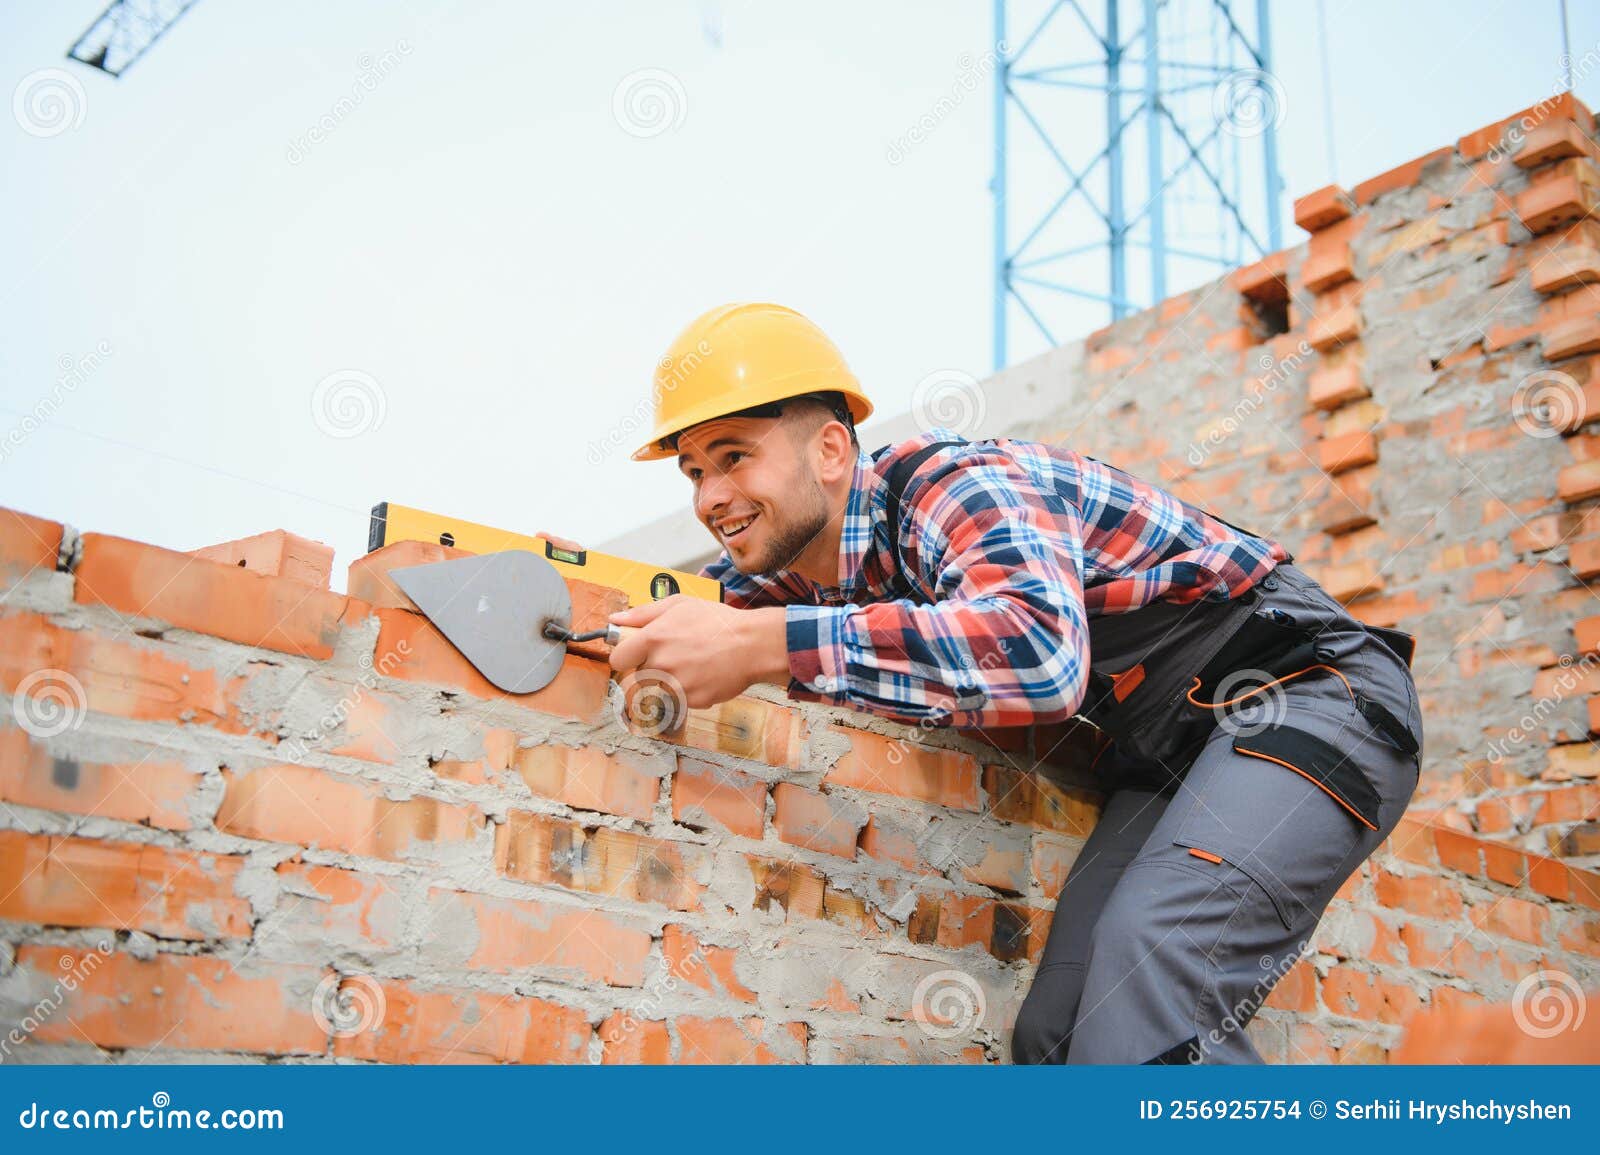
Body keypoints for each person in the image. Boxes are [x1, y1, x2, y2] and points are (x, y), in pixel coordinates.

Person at [572, 302, 1424, 1063]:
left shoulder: (958, 487)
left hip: (1305, 693)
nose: (711, 496)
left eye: (733, 457)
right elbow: (685, 615)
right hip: (1174, 753)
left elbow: (1038, 652)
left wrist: (768, 645)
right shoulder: (800, 577)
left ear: (831, 448)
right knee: (1056, 1035)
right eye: (692, 471)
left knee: (1158, 963)